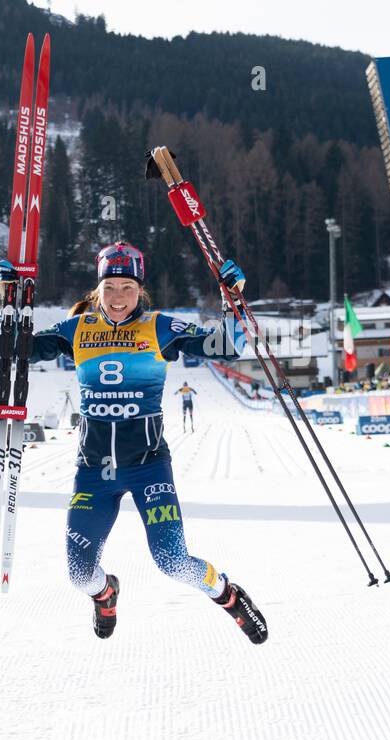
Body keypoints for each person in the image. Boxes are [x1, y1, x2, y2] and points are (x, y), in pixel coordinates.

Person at [22, 241, 268, 644]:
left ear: (141, 291)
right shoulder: (77, 328)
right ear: (97, 289)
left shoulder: (161, 327)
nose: (118, 298)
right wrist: (11, 301)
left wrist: (233, 301)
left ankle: (227, 594)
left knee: (172, 561)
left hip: (148, 465)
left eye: (128, 288)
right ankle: (105, 594)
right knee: (79, 574)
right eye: (111, 287)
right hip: (93, 471)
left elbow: (226, 347)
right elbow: (17, 351)